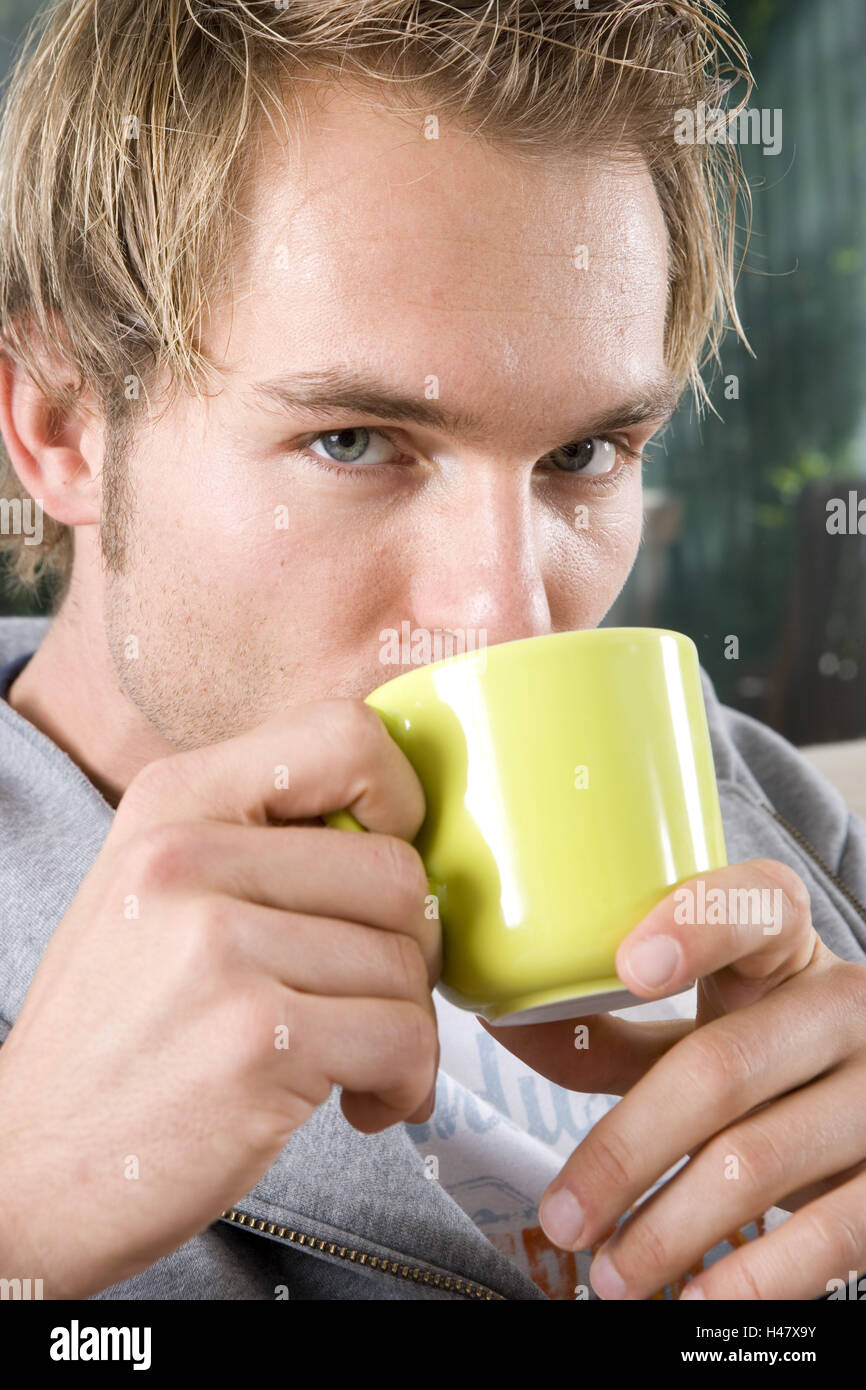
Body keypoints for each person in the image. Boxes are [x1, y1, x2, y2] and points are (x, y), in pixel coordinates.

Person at [0, 0, 864, 1303]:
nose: (504, 617)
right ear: (63, 427)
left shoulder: (758, 810)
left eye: (582, 455)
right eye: (355, 441)